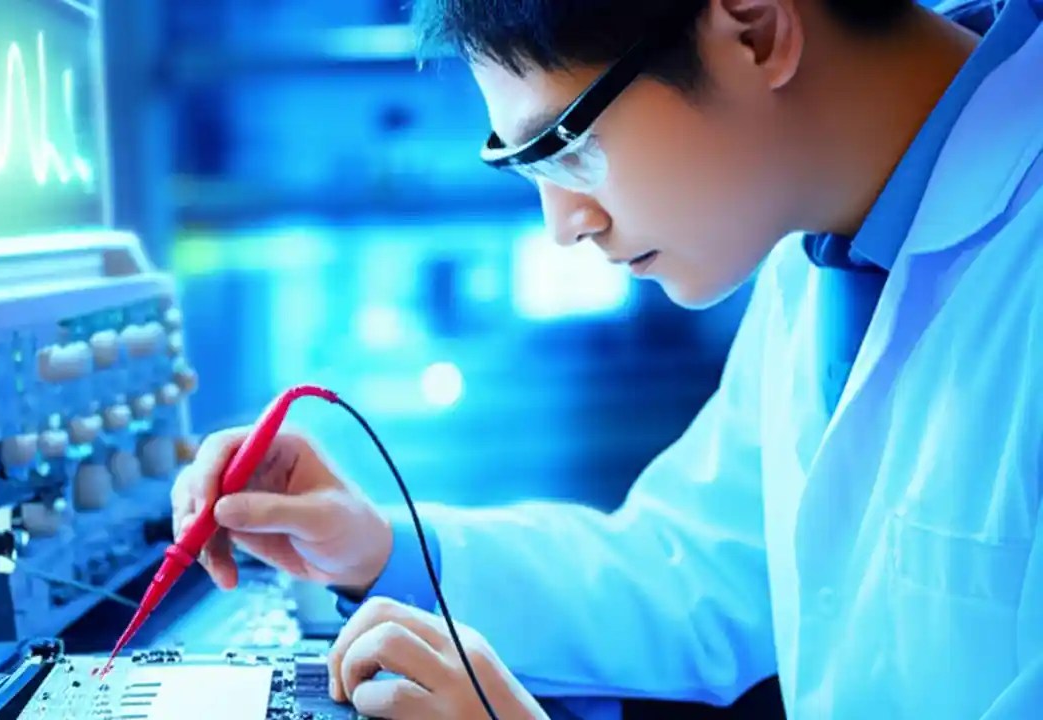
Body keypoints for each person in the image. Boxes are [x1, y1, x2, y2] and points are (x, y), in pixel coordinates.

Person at [173, 0, 1043, 716]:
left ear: (756, 31)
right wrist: (372, 548)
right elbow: (699, 566)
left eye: (566, 146)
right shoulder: (818, 249)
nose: (562, 225)